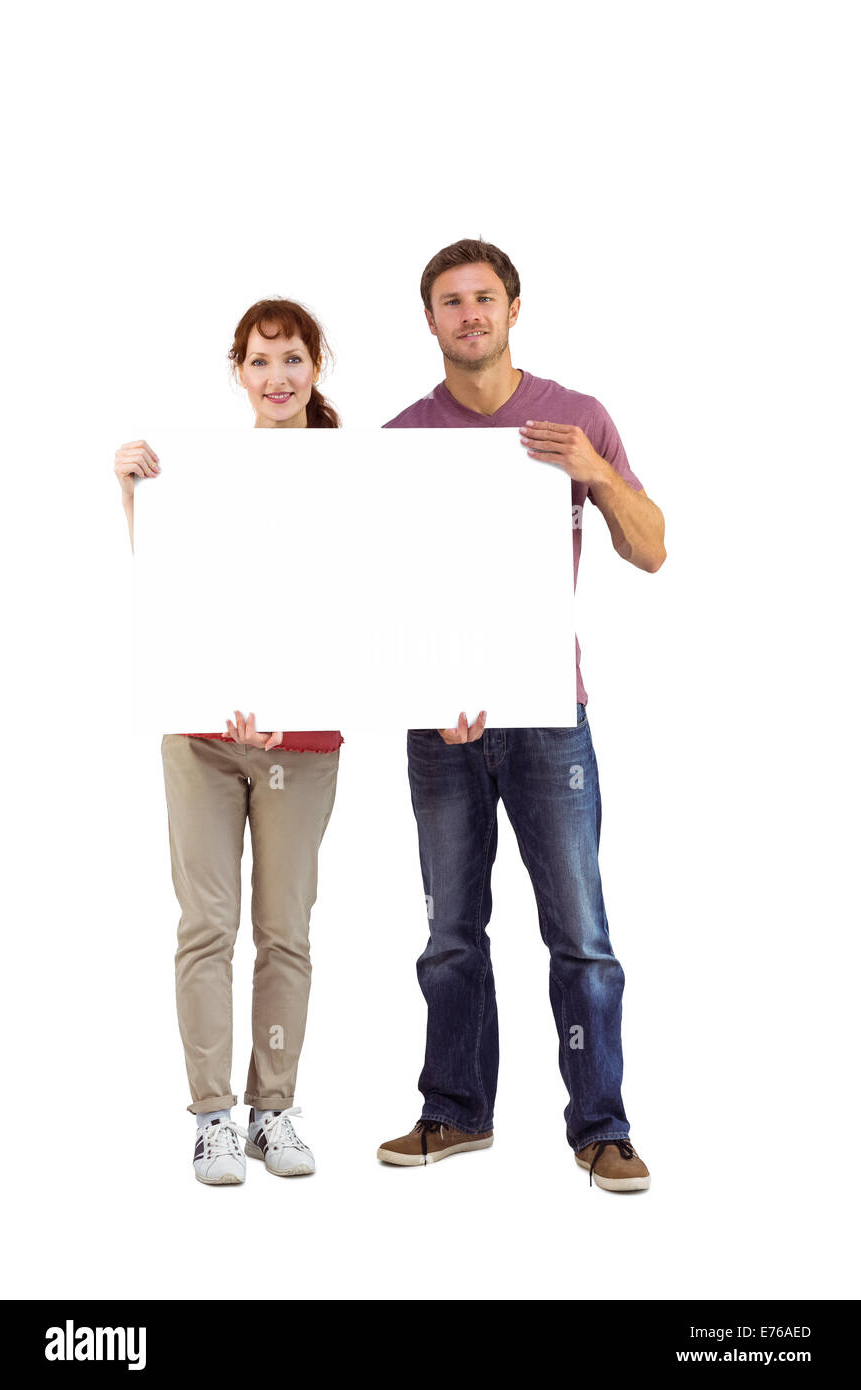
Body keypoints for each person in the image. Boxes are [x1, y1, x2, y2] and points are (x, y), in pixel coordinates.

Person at [377, 239, 666, 1192]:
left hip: (549, 714)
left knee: (579, 929)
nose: (469, 314)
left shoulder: (574, 418)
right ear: (429, 321)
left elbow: (652, 549)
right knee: (450, 932)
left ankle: (603, 1126)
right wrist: (423, 691)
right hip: (443, 723)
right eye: (450, 302)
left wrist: (596, 471)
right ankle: (454, 1112)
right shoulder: (401, 439)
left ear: (512, 308)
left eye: (484, 298)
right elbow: (378, 593)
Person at [114, 299, 342, 1185]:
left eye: (292, 359)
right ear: (238, 371)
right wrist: (133, 491)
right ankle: (213, 1116)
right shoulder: (202, 470)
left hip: (305, 740)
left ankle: (272, 1110)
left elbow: (361, 608)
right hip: (202, 733)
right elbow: (176, 589)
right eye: (259, 361)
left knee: (284, 930)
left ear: (316, 366)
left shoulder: (348, 472)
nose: (277, 377)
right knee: (206, 926)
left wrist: (296, 697)